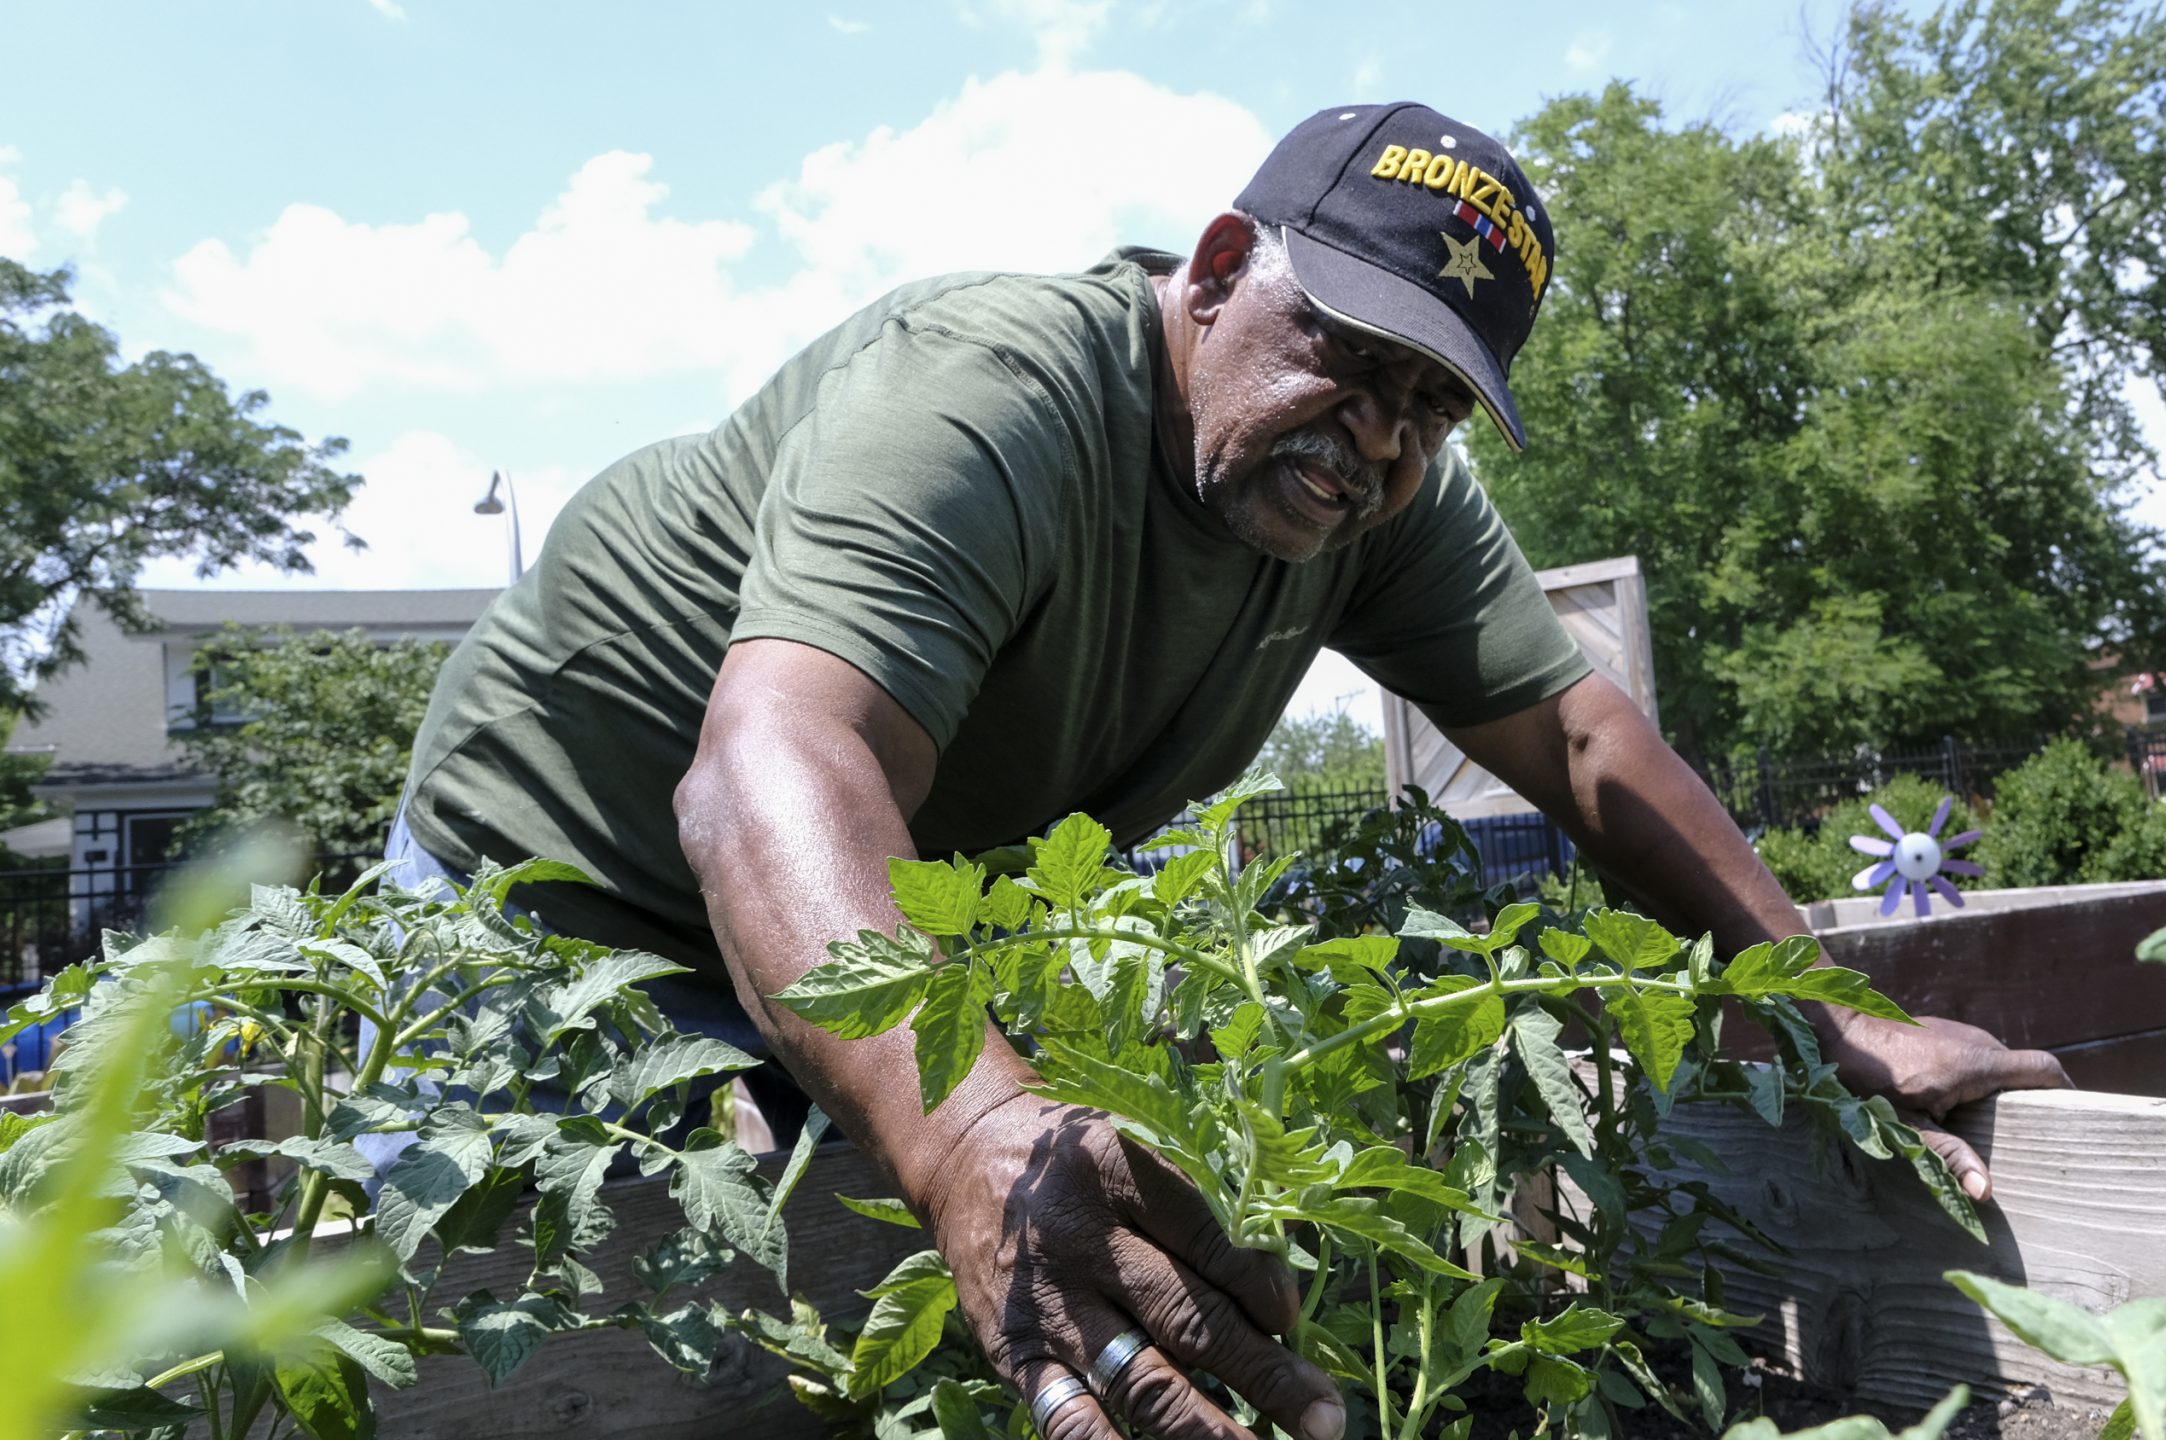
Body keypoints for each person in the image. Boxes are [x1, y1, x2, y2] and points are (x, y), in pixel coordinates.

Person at [395, 103, 2067, 1440]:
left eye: (1435, 403)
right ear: (1214, 272)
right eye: (1348, 353)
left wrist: (1822, 1003)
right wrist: (973, 1131)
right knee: (596, 1343)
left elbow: (1577, 734)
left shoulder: (1376, 503)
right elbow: (772, 760)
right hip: (565, 888)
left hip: (847, 917)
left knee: (879, 1323)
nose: (1380, 434)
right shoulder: (998, 394)